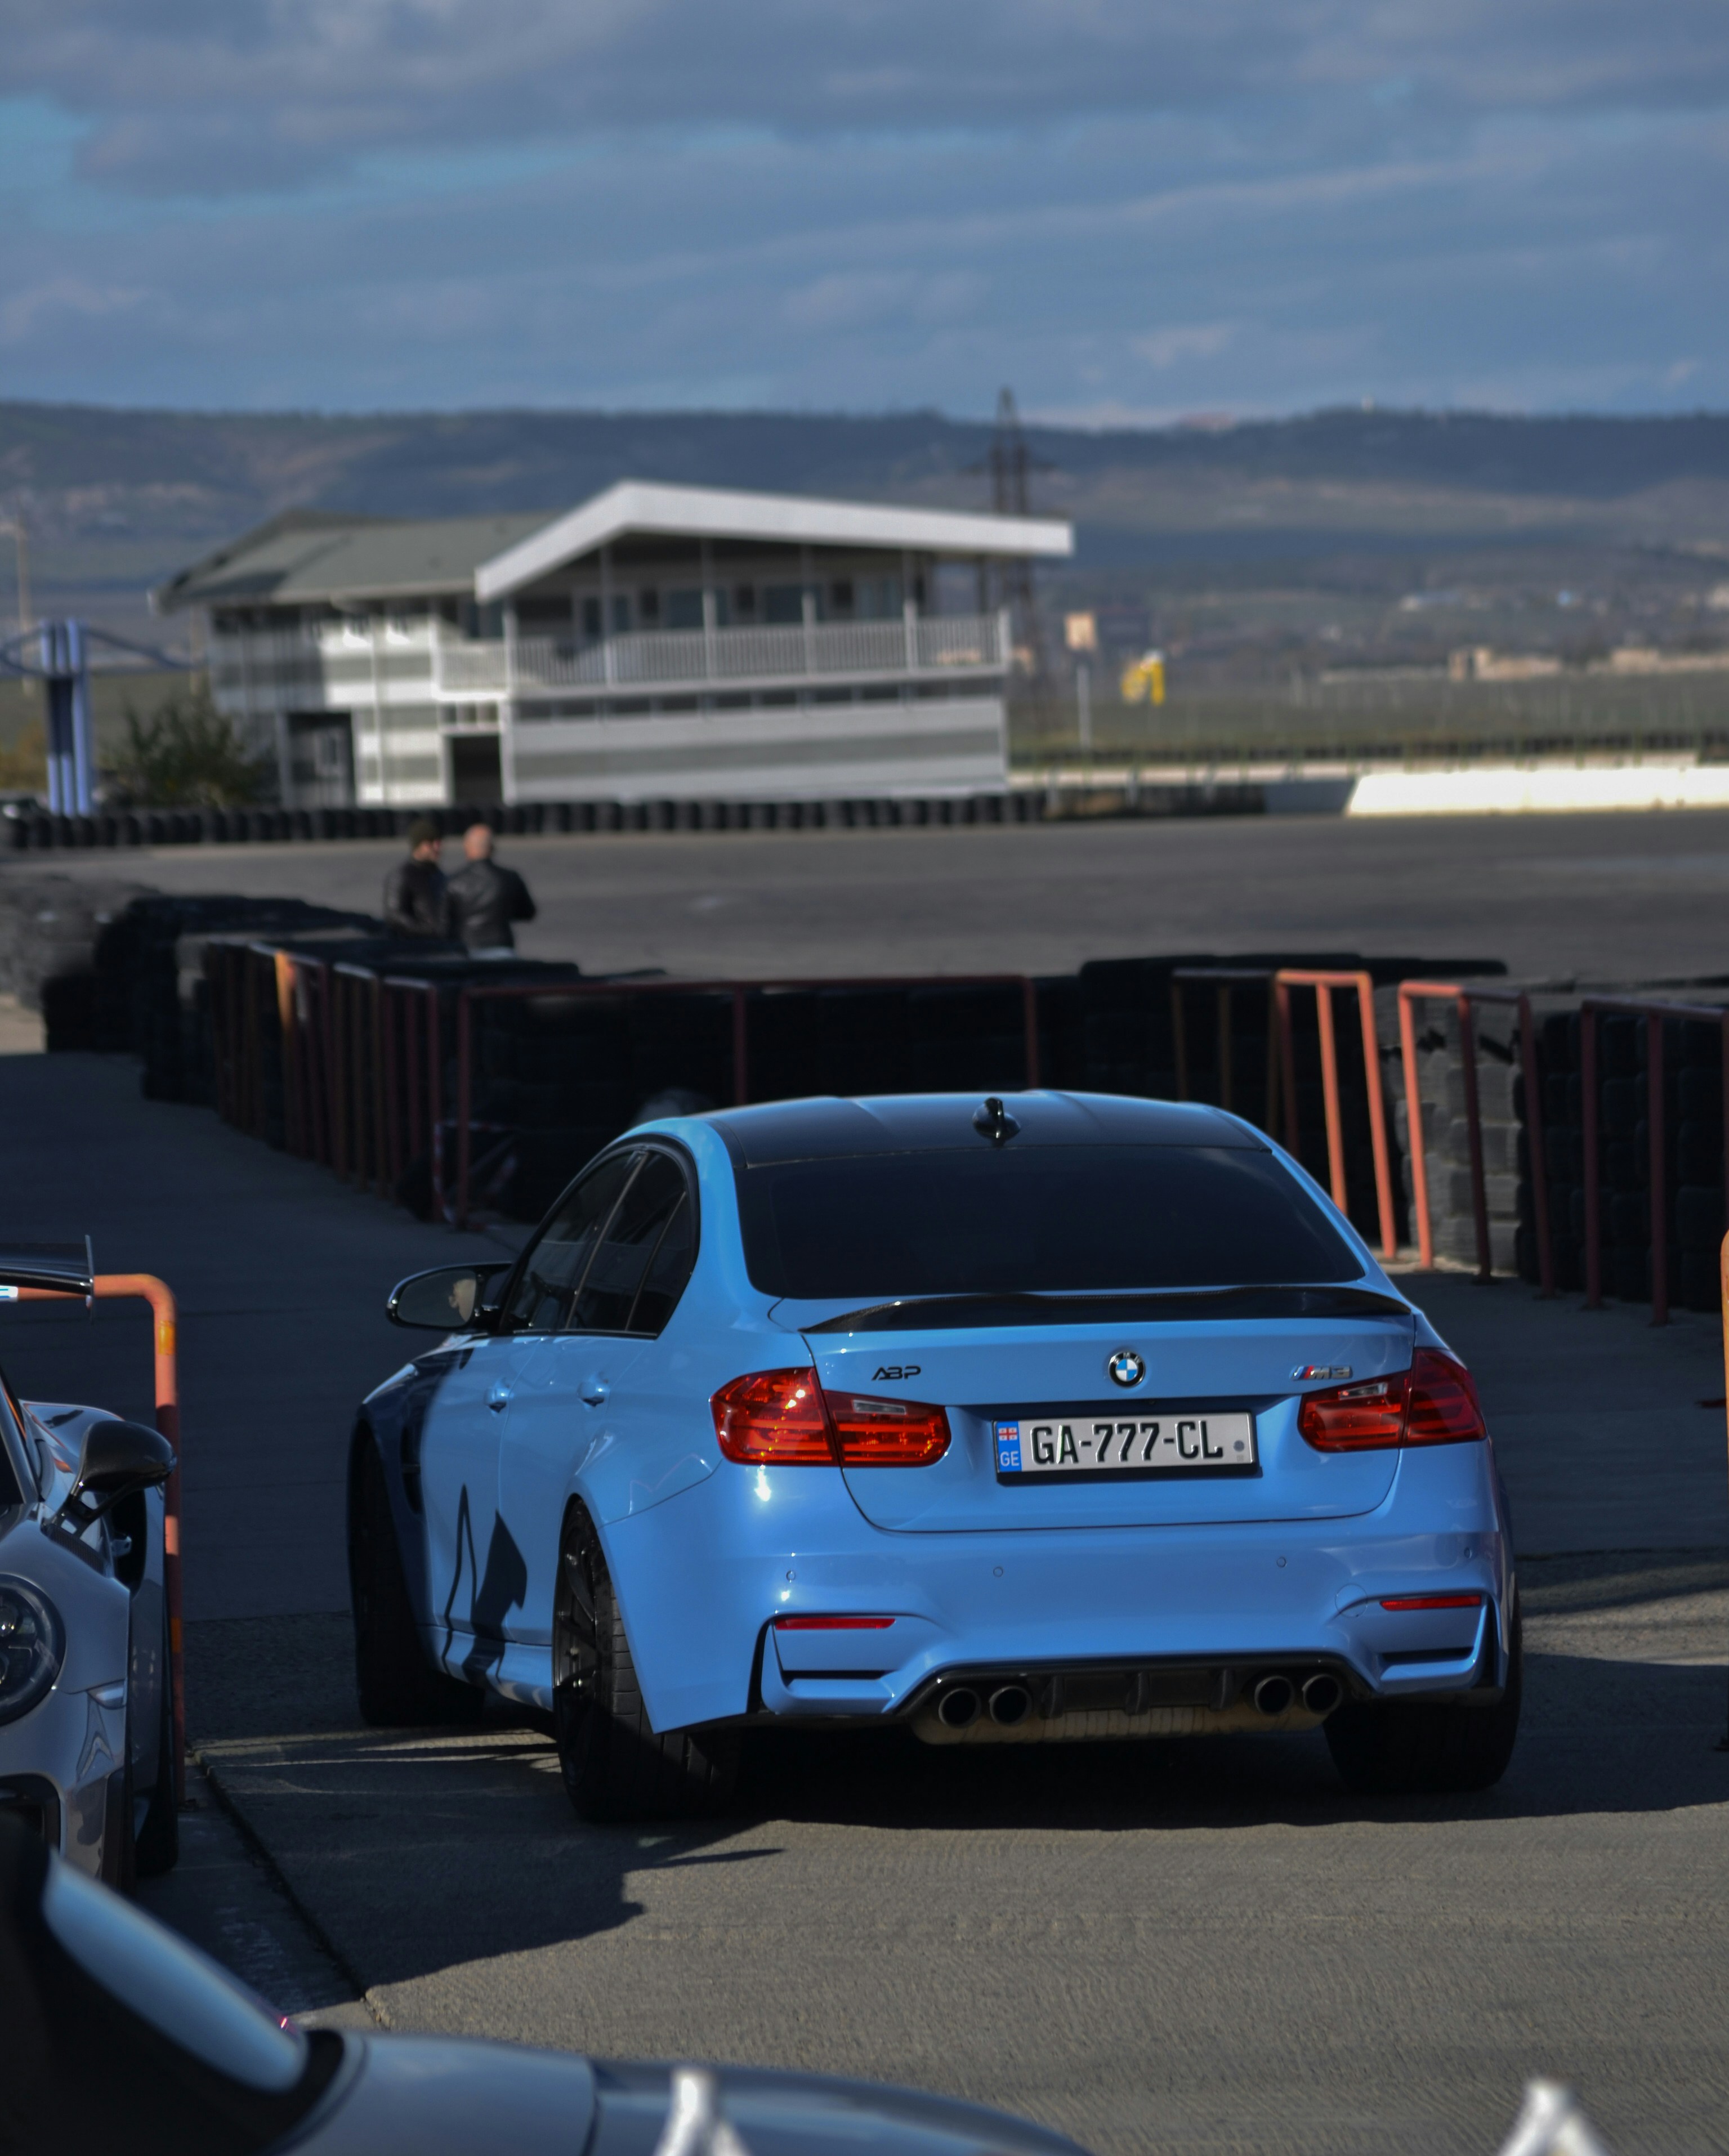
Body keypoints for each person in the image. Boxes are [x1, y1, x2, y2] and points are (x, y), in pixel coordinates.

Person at [444, 822, 537, 956]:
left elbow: (445, 923)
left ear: (467, 847)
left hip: (467, 948)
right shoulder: (510, 878)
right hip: (502, 946)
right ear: (492, 848)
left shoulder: (453, 882)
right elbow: (528, 912)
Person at [384, 819, 450, 938]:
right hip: (414, 947)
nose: (437, 847)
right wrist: (427, 931)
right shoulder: (401, 876)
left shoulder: (439, 875)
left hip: (441, 944)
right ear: (417, 845)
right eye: (430, 843)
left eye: (439, 842)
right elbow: (394, 916)